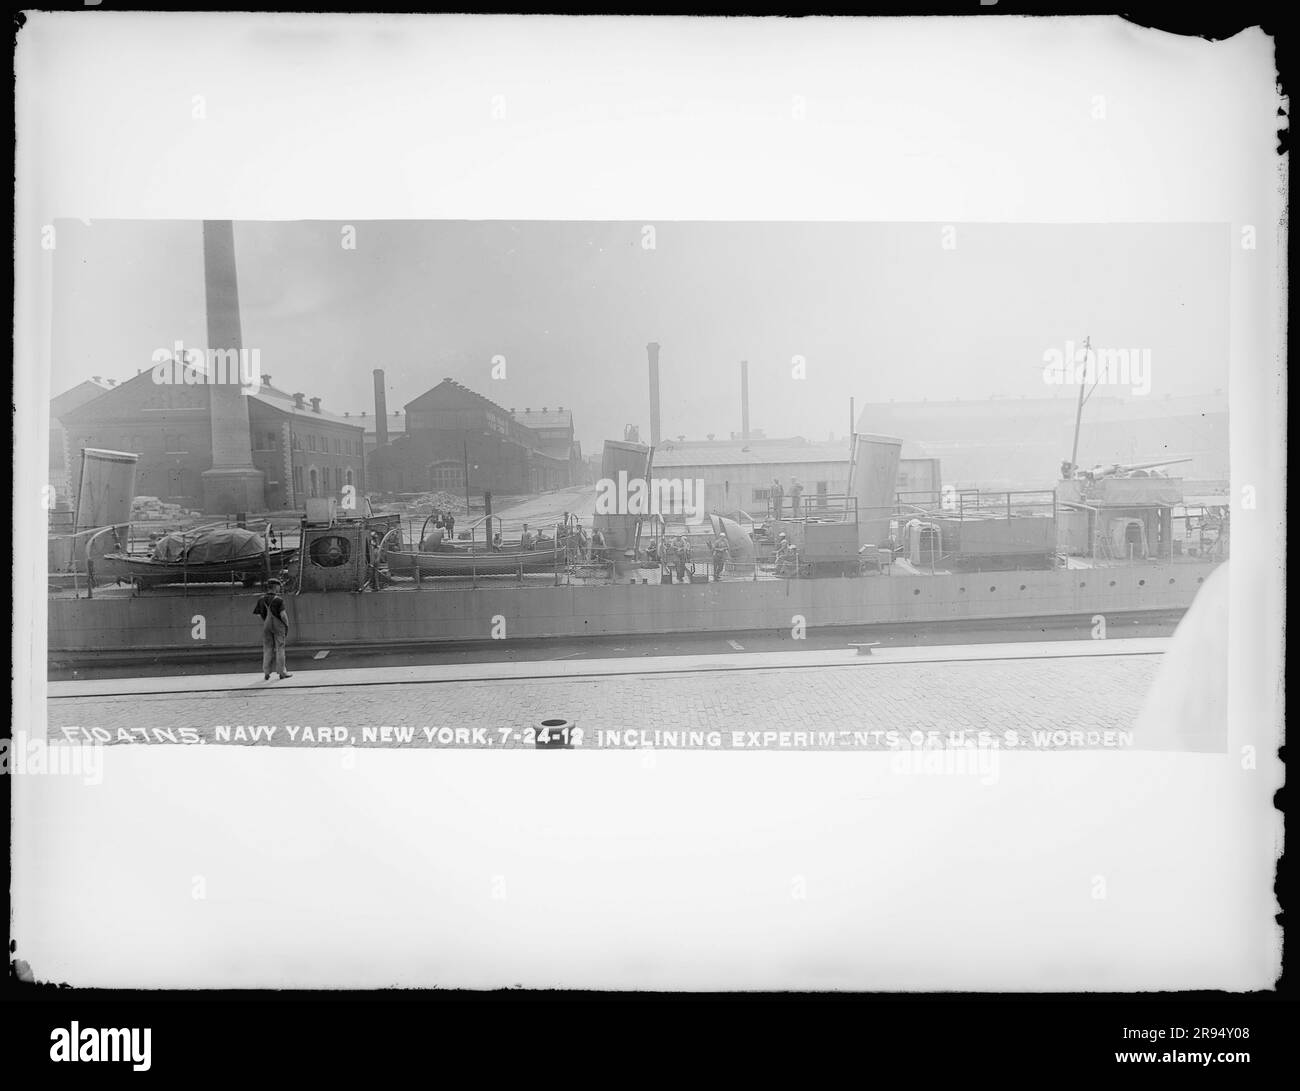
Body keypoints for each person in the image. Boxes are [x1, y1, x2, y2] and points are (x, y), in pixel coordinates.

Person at [253, 578, 292, 681]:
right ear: (275, 587)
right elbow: (283, 615)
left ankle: (266, 672)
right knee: (280, 649)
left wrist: (266, 621)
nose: (280, 588)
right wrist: (286, 625)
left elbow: (258, 615)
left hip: (266, 626)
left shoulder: (261, 599)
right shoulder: (278, 600)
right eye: (279, 586)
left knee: (267, 649)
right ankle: (282, 672)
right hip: (278, 627)